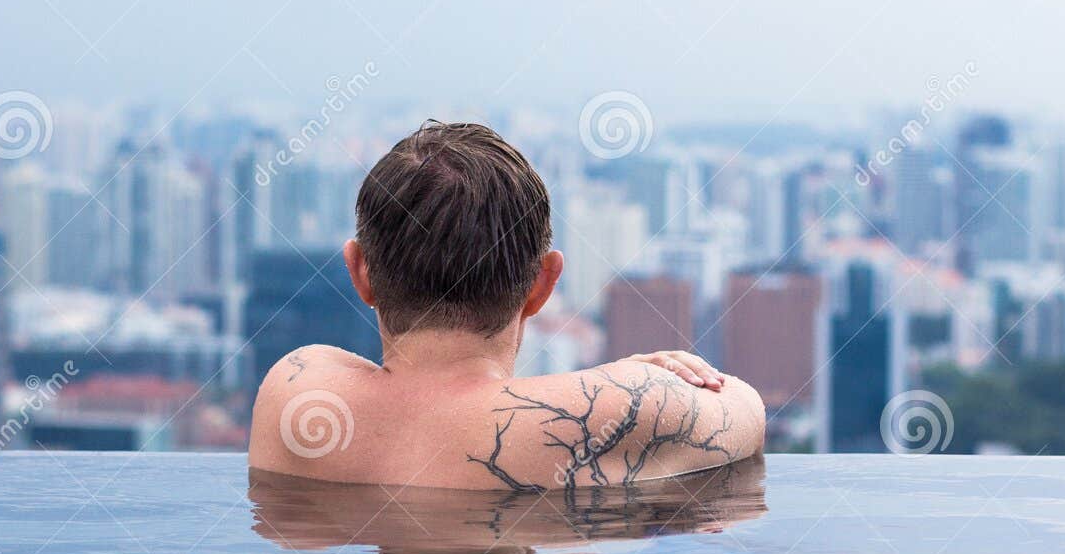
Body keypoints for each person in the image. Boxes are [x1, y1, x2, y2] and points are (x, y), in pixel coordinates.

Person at [248, 121, 765, 489]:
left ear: (359, 271)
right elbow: (747, 412)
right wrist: (628, 377)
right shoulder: (617, 405)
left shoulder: (296, 388)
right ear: (543, 284)